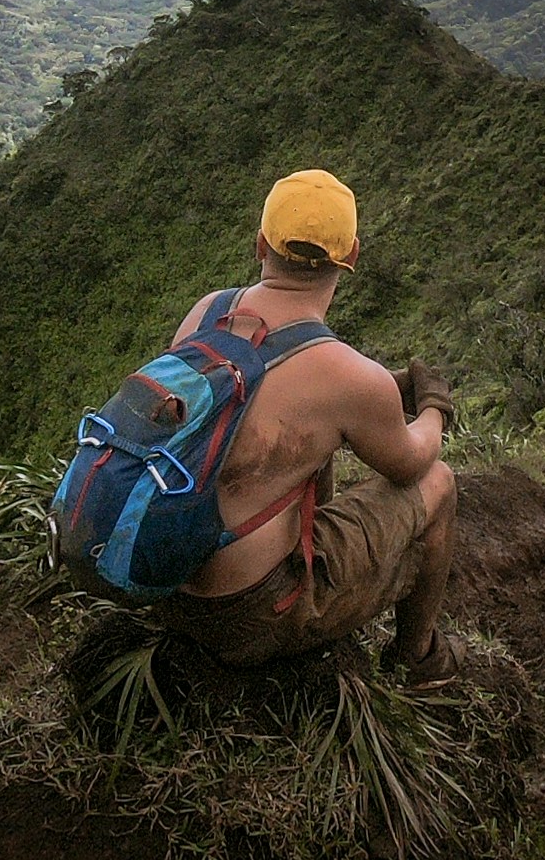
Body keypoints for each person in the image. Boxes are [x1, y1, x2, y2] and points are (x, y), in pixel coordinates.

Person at [149, 168, 460, 681]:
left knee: (302, 457)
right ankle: (421, 661)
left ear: (260, 244)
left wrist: (381, 389)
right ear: (352, 256)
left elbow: (269, 399)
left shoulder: (205, 314)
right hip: (252, 616)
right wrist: (433, 408)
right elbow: (411, 464)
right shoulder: (348, 377)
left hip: (166, 585)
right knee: (441, 484)